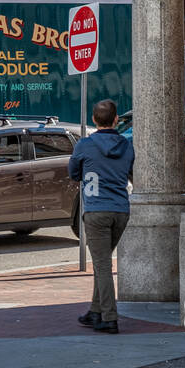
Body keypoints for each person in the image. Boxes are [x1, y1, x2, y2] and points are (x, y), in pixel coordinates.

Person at [67, 99, 134, 334]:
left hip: (96, 210)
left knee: (102, 265)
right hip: (120, 211)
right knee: (102, 262)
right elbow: (132, 174)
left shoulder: (85, 145)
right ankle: (95, 311)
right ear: (116, 120)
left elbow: (73, 173)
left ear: (94, 120)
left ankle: (109, 317)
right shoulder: (126, 146)